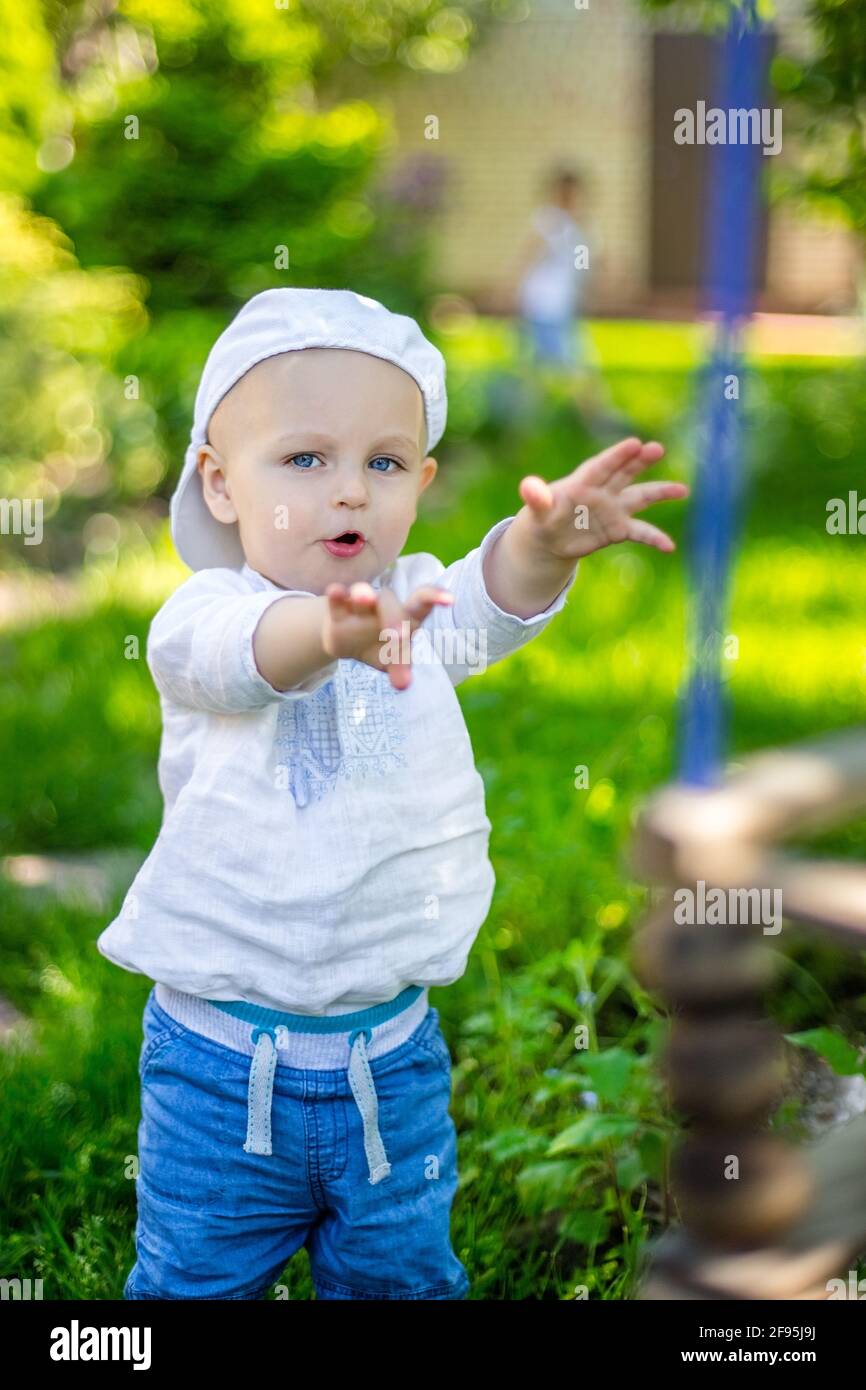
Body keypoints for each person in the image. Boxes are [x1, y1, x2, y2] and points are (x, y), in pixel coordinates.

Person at [97, 287, 687, 1301]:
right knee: (193, 1280)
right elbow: (246, 660)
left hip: (392, 1061)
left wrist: (540, 547)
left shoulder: (412, 603)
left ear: (420, 481)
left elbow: (484, 600)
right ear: (221, 482)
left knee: (401, 1277)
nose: (347, 493)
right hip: (218, 1074)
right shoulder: (205, 614)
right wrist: (330, 634)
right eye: (304, 458)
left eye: (381, 463)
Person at [516, 168, 624, 428]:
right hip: (544, 305)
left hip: (562, 306)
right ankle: (597, 421)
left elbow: (592, 261)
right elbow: (528, 255)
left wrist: (607, 283)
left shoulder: (583, 226)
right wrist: (508, 290)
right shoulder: (549, 222)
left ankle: (526, 425)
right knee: (574, 363)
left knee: (540, 369)